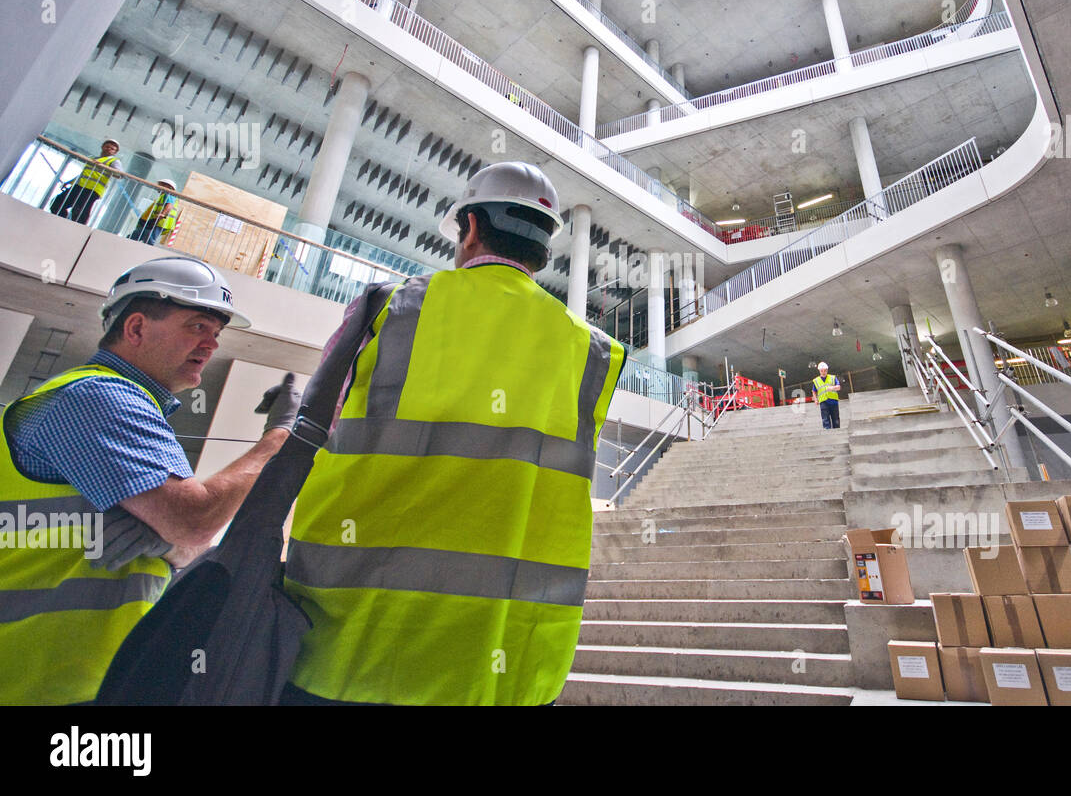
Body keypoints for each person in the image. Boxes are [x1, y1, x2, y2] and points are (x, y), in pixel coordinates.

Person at [282, 161, 626, 706]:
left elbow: (309, 435)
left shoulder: (388, 308)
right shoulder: (593, 352)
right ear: (543, 249)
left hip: (347, 652)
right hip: (510, 669)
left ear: (469, 229)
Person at [0, 256, 300, 704]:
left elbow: (190, 541)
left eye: (216, 334)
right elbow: (195, 519)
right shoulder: (96, 396)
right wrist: (282, 436)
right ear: (136, 328)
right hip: (30, 680)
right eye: (198, 326)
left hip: (85, 682)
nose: (211, 344)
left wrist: (164, 541)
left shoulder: (130, 406)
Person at [49, 138, 122, 224]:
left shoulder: (114, 161)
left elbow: (119, 174)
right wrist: (70, 182)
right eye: (107, 147)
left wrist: (105, 167)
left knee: (79, 210)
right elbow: (84, 174)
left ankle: (78, 228)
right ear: (102, 147)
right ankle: (63, 222)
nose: (109, 149)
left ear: (115, 152)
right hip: (80, 186)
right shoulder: (93, 159)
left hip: (93, 189)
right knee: (57, 202)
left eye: (112, 149)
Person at [128, 178, 180, 245]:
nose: (158, 187)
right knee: (141, 234)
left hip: (161, 221)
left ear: (169, 187)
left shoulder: (169, 194)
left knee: (149, 238)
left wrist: (162, 214)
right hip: (156, 221)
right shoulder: (163, 196)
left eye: (161, 185)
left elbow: (169, 205)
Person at [813, 361, 842, 429]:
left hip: (833, 401)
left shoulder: (833, 377)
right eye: (822, 370)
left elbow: (839, 387)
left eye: (825, 370)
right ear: (819, 371)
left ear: (827, 370)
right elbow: (814, 391)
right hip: (823, 401)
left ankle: (837, 430)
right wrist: (815, 399)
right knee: (825, 418)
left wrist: (832, 388)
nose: (823, 372)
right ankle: (827, 431)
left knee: (835, 418)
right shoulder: (816, 381)